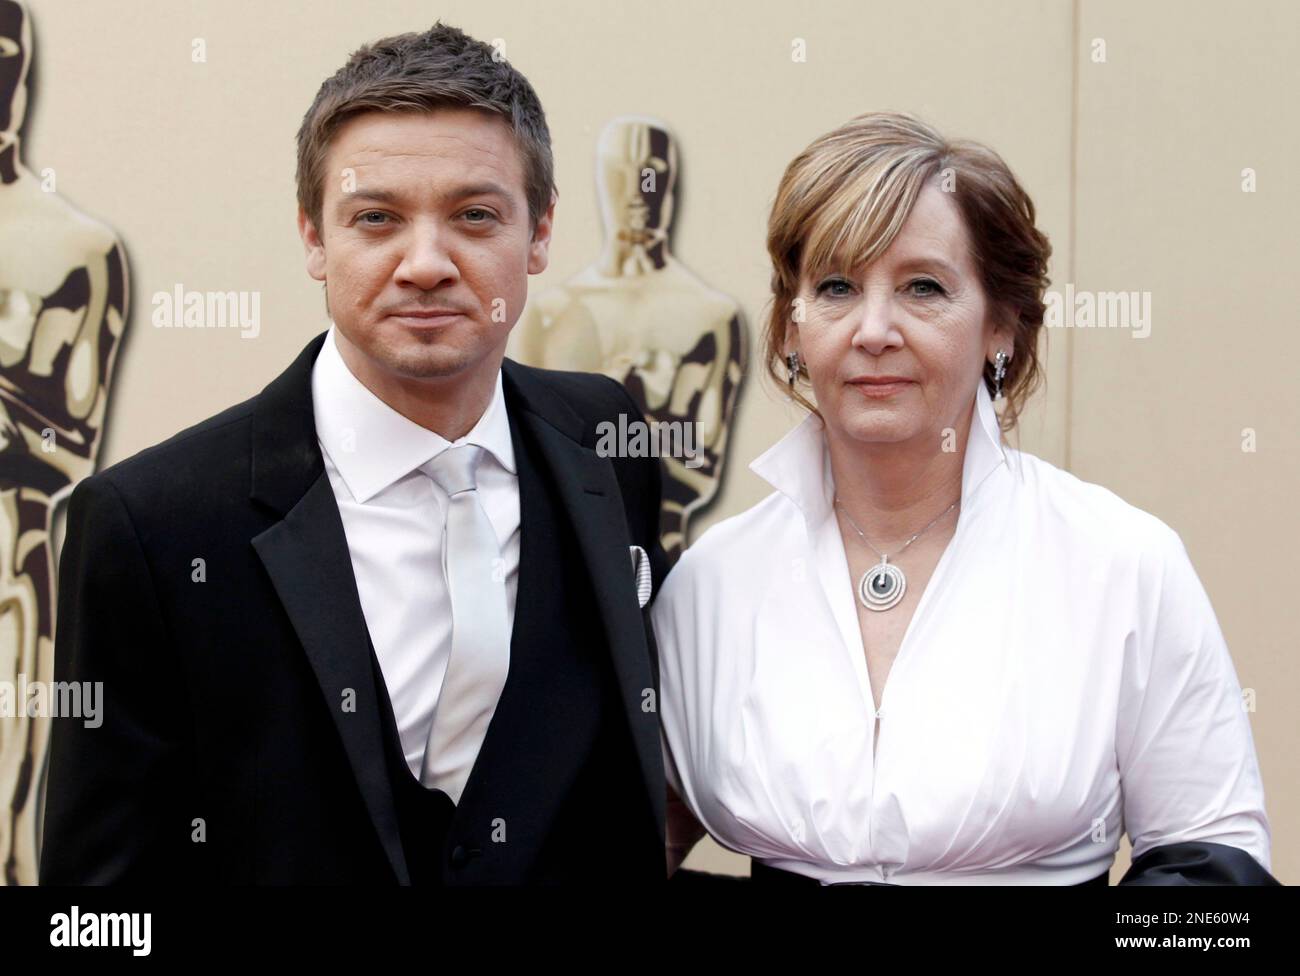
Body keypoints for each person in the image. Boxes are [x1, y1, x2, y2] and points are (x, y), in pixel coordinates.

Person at [39, 22, 668, 885]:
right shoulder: (152, 524)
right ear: (312, 237)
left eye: (474, 215)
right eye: (376, 219)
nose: (426, 264)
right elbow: (103, 902)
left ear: (541, 233)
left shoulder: (607, 440)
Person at [655, 111, 1278, 886]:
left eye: (924, 287)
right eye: (837, 287)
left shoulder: (1121, 563)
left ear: (1002, 327)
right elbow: (625, 854)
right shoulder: (710, 581)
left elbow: (1218, 882)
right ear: (790, 325)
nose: (874, 329)